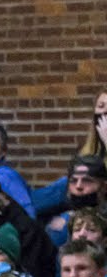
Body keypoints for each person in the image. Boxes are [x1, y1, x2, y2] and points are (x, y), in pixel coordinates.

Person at [31, 90, 107, 219]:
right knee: (65, 183)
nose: (104, 112)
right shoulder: (86, 147)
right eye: (101, 106)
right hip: (79, 202)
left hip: (99, 206)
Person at [46, 155, 106, 247]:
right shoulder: (59, 226)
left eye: (87, 180)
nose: (78, 186)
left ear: (104, 187)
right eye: (73, 181)